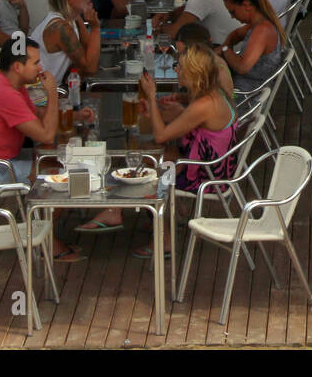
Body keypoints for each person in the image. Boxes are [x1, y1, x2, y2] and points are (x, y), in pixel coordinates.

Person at [89, 51, 240, 246]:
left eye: (180, 66)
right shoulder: (212, 93)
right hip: (207, 163)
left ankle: (163, 237)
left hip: (208, 177)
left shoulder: (204, 104)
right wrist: (155, 111)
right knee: (149, 152)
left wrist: (151, 97)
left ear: (194, 72)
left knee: (150, 167)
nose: (176, 69)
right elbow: (177, 125)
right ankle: (131, 212)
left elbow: (162, 134)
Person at [0, 41, 84, 261]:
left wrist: (76, 116)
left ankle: (44, 231)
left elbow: (37, 114)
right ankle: (46, 243)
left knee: (56, 164)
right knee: (57, 177)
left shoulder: (10, 85)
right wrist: (53, 94)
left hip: (2, 159)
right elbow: (46, 135)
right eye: (36, 62)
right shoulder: (6, 94)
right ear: (18, 67)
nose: (41, 67)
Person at [219, 0, 287, 92]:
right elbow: (235, 34)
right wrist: (226, 45)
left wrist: (225, 49)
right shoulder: (257, 24)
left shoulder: (262, 30)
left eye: (233, 12)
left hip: (245, 96)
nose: (232, 17)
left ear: (246, 5)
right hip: (244, 89)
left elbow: (242, 67)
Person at [33, 0, 102, 84]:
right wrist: (95, 28)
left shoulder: (73, 18)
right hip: (42, 94)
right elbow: (90, 68)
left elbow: (89, 50)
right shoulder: (60, 28)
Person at [171, 22, 235, 97]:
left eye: (183, 54)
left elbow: (211, 105)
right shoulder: (206, 63)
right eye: (179, 54)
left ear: (197, 50)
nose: (180, 59)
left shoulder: (217, 71)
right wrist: (181, 97)